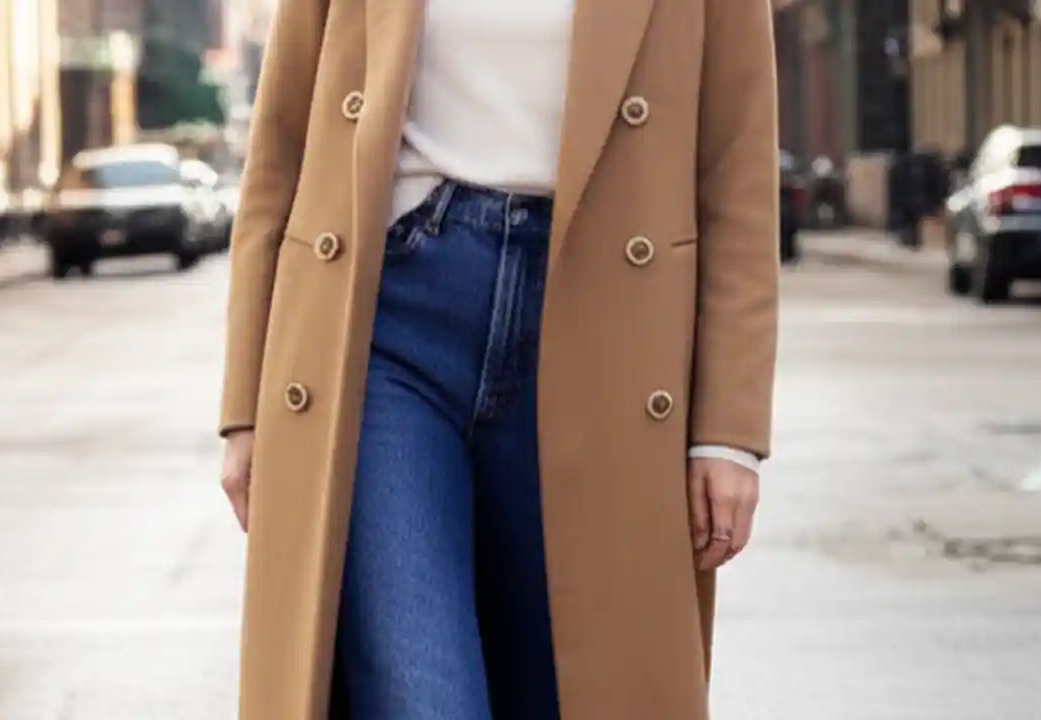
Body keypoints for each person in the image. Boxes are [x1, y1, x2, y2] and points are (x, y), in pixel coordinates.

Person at [218, 1, 779, 718]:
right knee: (424, 697)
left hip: (603, 336)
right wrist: (245, 408)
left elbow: (737, 173)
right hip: (390, 329)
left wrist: (729, 430)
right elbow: (282, 145)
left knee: (563, 692)